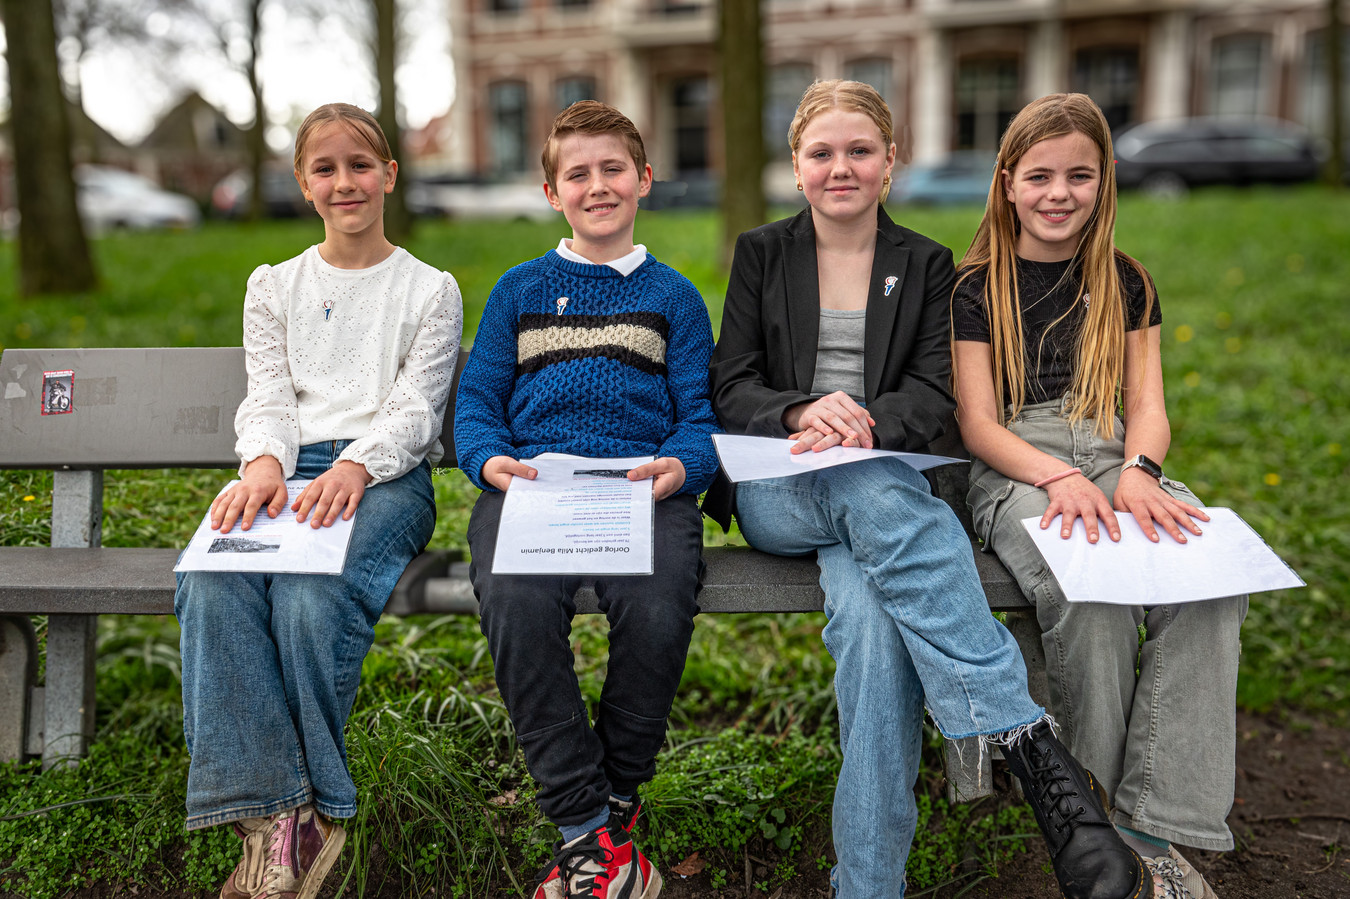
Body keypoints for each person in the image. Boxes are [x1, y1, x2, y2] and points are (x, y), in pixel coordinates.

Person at [707, 80, 1149, 899]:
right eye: (822, 153)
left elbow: (933, 391)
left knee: (875, 639)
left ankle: (866, 886)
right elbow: (730, 383)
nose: (842, 168)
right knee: (873, 493)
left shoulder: (924, 262)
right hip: (782, 487)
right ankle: (1023, 734)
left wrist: (863, 423)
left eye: (860, 151)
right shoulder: (762, 252)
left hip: (878, 484)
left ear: (890, 162)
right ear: (797, 167)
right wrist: (805, 410)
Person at [951, 92, 1248, 899]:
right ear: (1007, 181)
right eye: (1040, 175)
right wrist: (1057, 476)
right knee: (1093, 590)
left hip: (1116, 451)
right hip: (1017, 464)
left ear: (1104, 181)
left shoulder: (1126, 279)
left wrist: (1139, 475)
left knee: (1211, 578)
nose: (1059, 192)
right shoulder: (974, 287)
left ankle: (1154, 821)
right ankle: (1095, 818)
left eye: (1079, 175)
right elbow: (976, 422)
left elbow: (1146, 404)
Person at [174, 102, 463, 899]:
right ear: (304, 183)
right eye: (326, 169)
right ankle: (284, 817)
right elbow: (268, 389)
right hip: (287, 471)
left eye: (360, 165)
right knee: (210, 579)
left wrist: (360, 467)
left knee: (307, 598)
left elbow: (413, 408)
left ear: (389, 175)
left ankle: (296, 811)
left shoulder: (429, 290)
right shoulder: (274, 286)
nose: (346, 183)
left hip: (386, 481)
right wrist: (264, 462)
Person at [454, 100, 720, 899]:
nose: (597, 185)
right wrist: (490, 461)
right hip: (534, 486)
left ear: (644, 179)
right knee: (513, 599)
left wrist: (680, 467)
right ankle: (582, 822)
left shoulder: (674, 297)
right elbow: (477, 401)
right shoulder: (519, 289)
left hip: (642, 488)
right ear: (551, 191)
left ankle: (618, 796)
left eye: (613, 169)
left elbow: (699, 419)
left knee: (660, 600)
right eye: (578, 173)